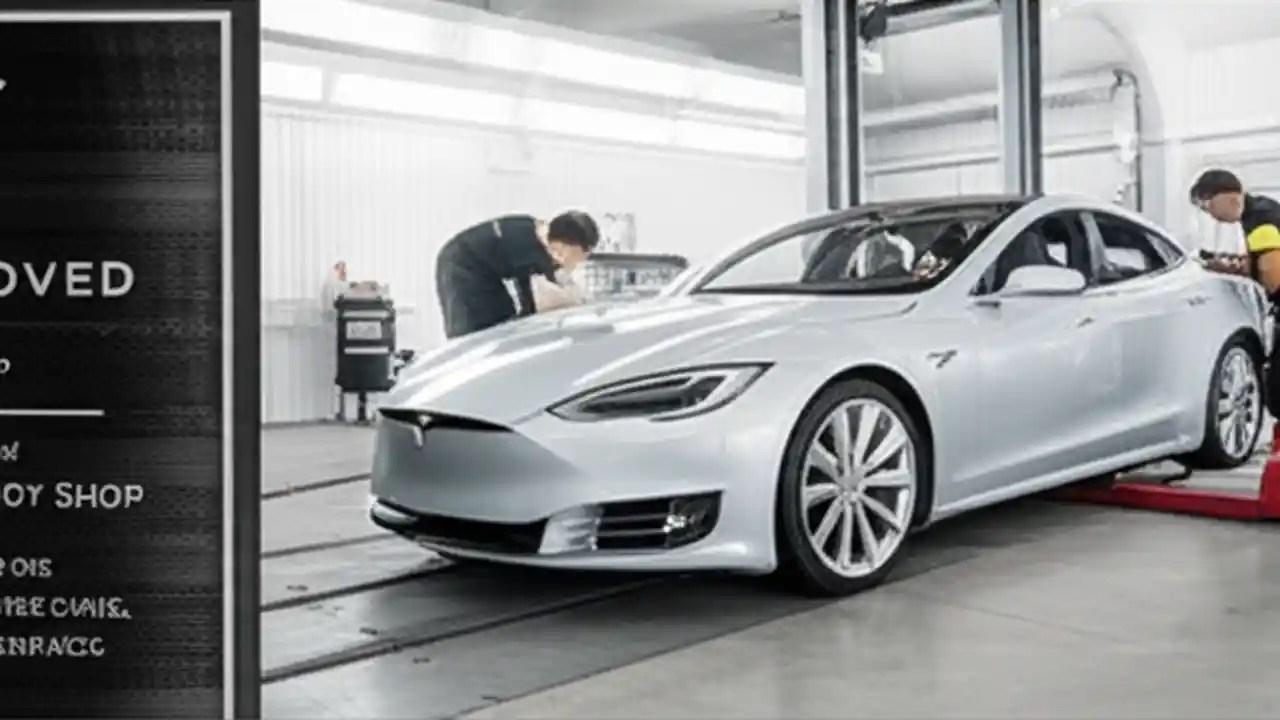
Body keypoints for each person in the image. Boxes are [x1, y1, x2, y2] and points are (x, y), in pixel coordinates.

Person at [1189, 168, 1280, 412]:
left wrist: (1240, 273)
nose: (1210, 215)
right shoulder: (1263, 210)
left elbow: (1273, 278)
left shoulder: (1260, 221)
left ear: (1230, 198)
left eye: (1207, 206)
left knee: (1277, 385)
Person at [435, 211, 599, 339]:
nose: (577, 261)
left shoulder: (536, 231)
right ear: (565, 246)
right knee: (472, 333)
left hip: (484, 270)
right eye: (580, 254)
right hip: (461, 268)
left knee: (501, 321)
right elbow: (533, 299)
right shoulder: (530, 250)